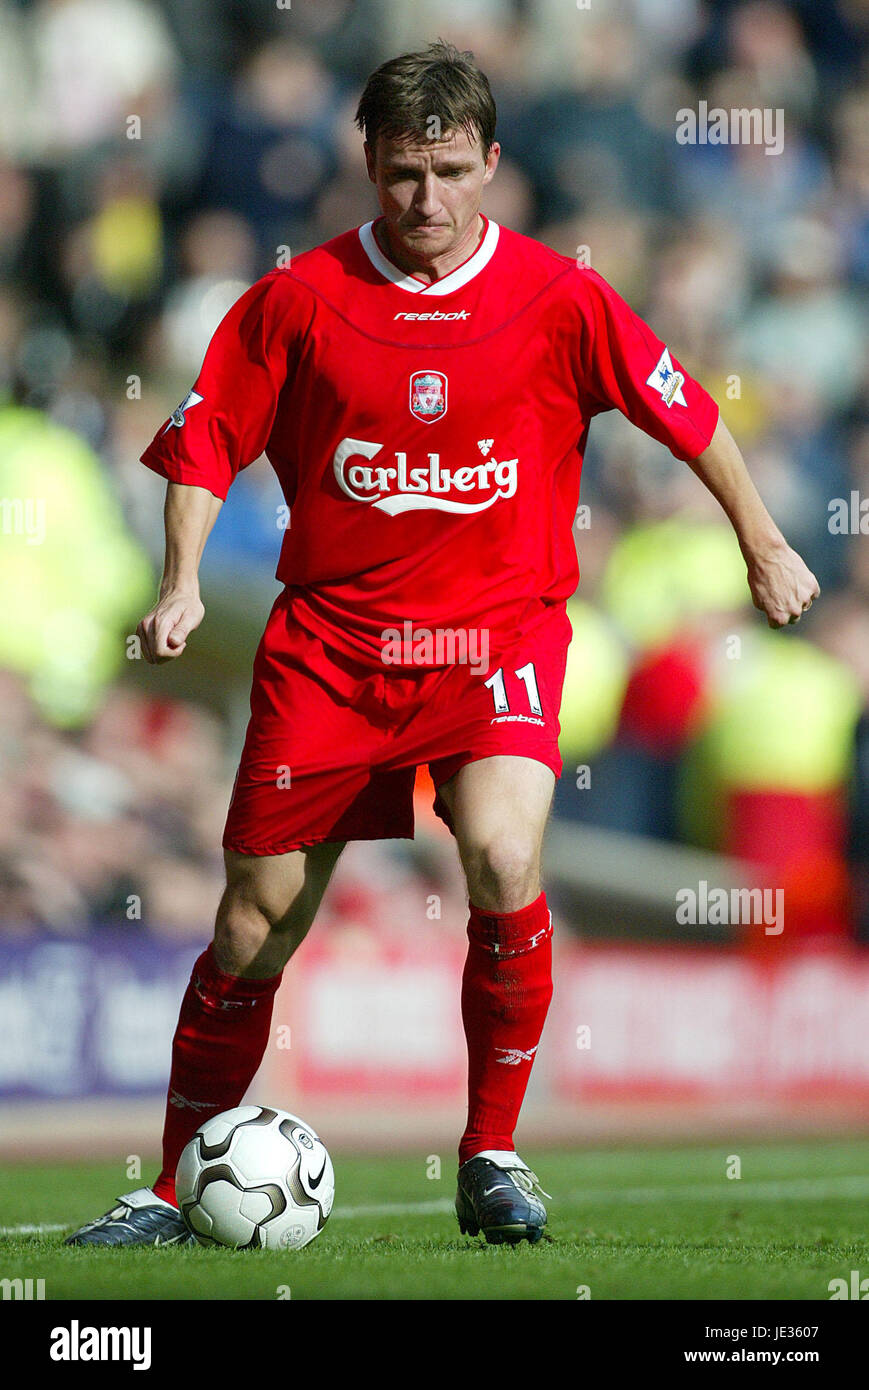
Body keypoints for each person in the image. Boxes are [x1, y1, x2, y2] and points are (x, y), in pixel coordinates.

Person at [66, 41, 819, 1248]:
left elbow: (685, 411)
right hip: (329, 650)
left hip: (494, 641)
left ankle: (492, 1151)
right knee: (255, 923)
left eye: (451, 172)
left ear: (493, 168)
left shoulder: (558, 298)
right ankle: (169, 1184)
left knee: (502, 861)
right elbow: (204, 444)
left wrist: (765, 542)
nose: (426, 200)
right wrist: (178, 583)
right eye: (404, 172)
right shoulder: (297, 300)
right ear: (368, 162)